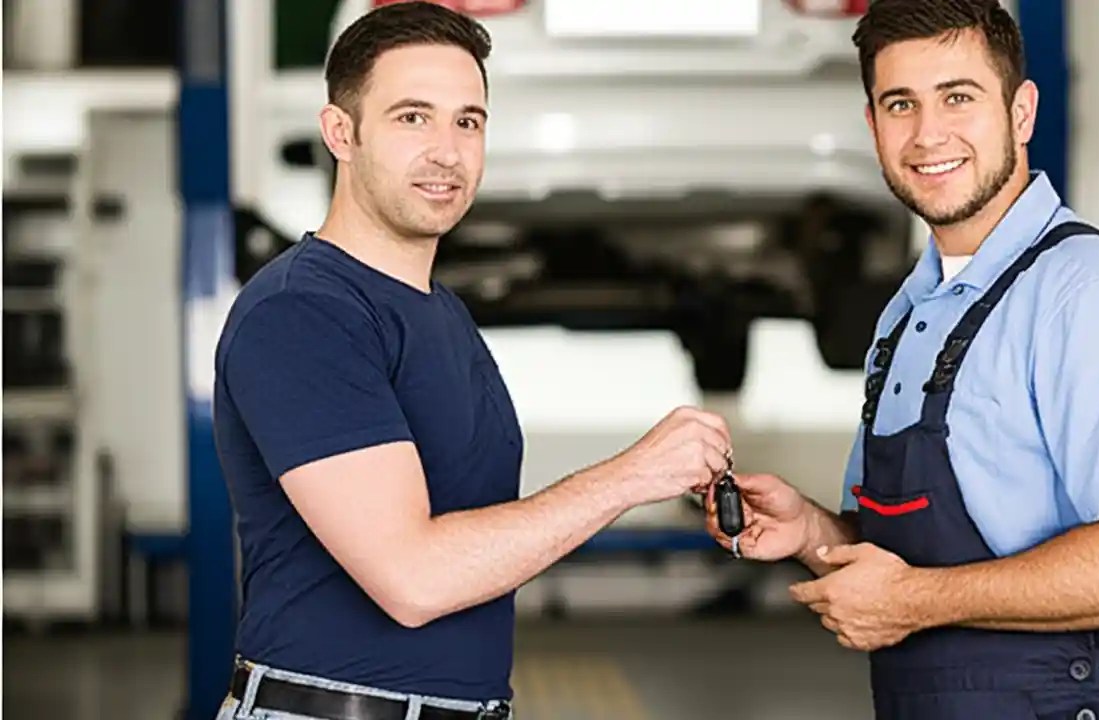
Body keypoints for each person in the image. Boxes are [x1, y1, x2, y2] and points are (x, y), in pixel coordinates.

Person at [212, 3, 734, 719]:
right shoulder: (302, 312)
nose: (447, 151)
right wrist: (632, 476)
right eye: (412, 117)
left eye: (468, 120)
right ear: (342, 133)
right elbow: (413, 577)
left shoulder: (440, 311)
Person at [705, 1, 1099, 718]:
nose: (927, 133)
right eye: (900, 104)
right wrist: (810, 531)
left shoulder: (1087, 294)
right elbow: (898, 561)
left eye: (958, 97)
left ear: (1023, 112)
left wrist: (914, 603)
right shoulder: (911, 311)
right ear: (873, 125)